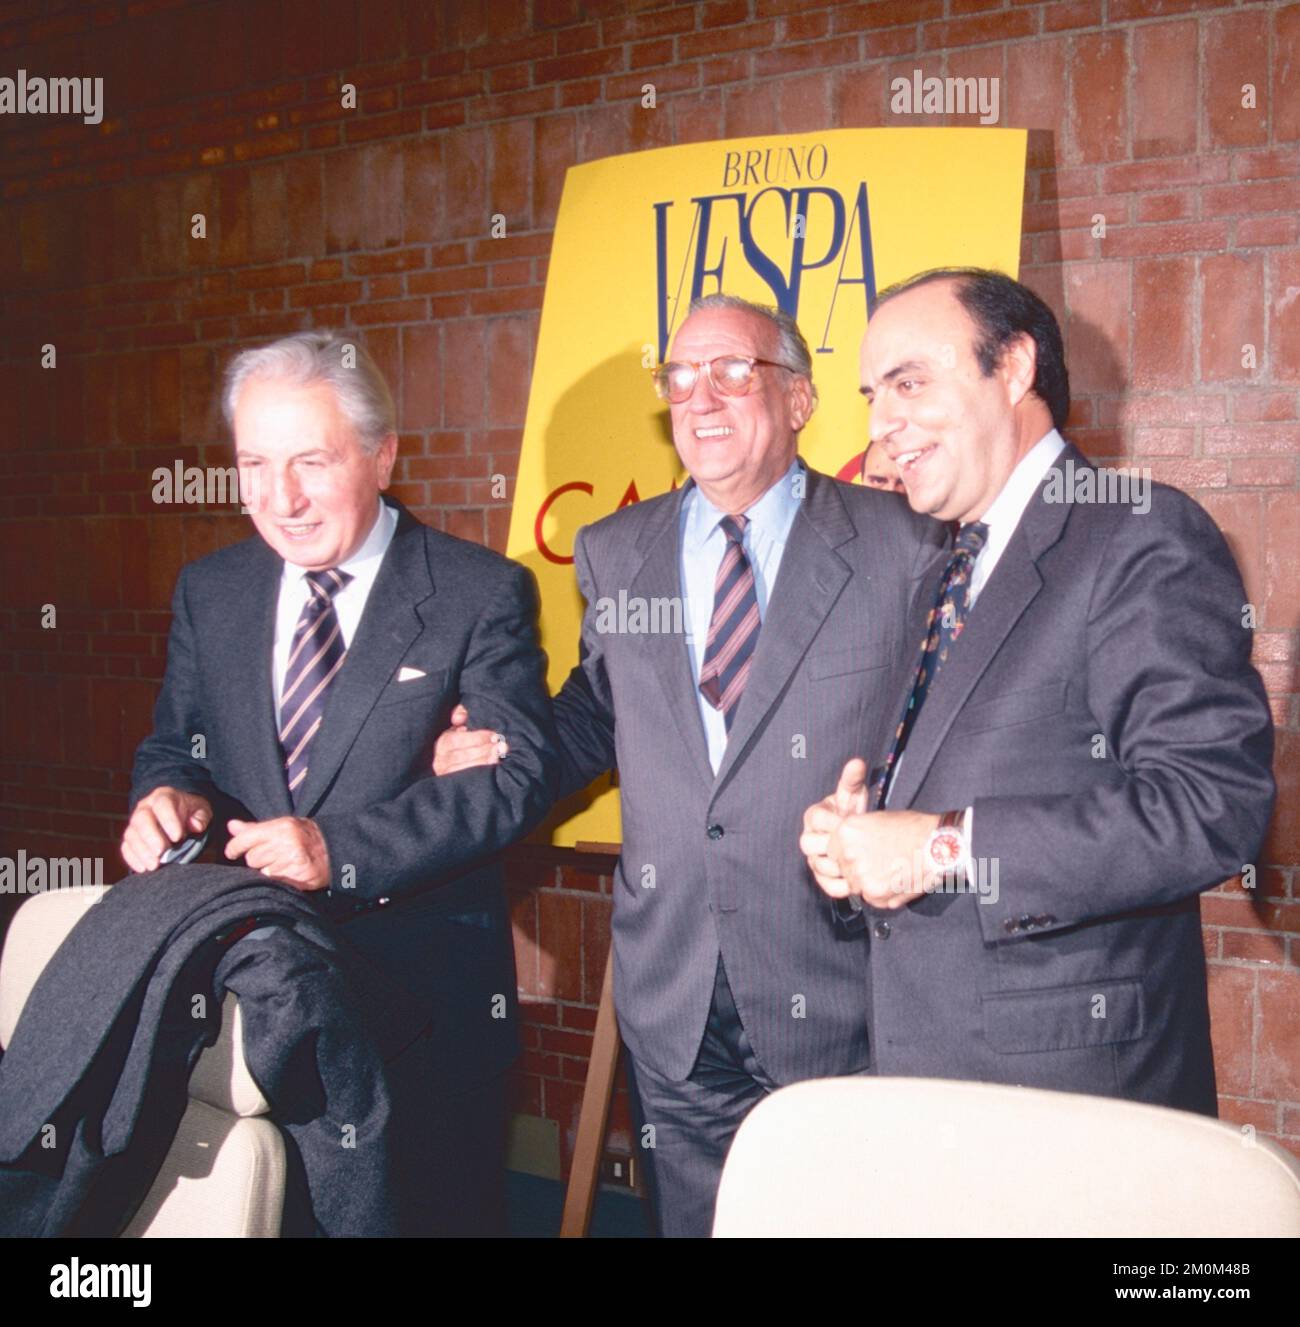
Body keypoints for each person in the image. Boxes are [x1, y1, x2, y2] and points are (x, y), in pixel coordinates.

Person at [436, 294, 941, 1236]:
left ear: (797, 397)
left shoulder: (904, 542)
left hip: (842, 980)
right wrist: (510, 754)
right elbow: (599, 710)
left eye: (732, 371)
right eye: (679, 377)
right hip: (675, 983)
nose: (700, 397)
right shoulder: (616, 552)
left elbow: (947, 726)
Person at [800, 268, 1275, 1114]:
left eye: (910, 382)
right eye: (873, 394)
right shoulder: (938, 571)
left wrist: (939, 847)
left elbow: (1212, 808)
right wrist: (860, 837)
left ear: (1014, 367)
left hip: (1071, 1104)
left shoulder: (1137, 533)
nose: (879, 425)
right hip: (925, 1083)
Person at [123, 330, 557, 1234]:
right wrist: (168, 798)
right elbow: (179, 746)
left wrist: (338, 849)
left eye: (312, 461)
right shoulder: (213, 589)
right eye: (254, 464)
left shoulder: (479, 593)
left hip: (426, 1023)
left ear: (382, 453)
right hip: (255, 1008)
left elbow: (513, 781)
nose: (280, 499)